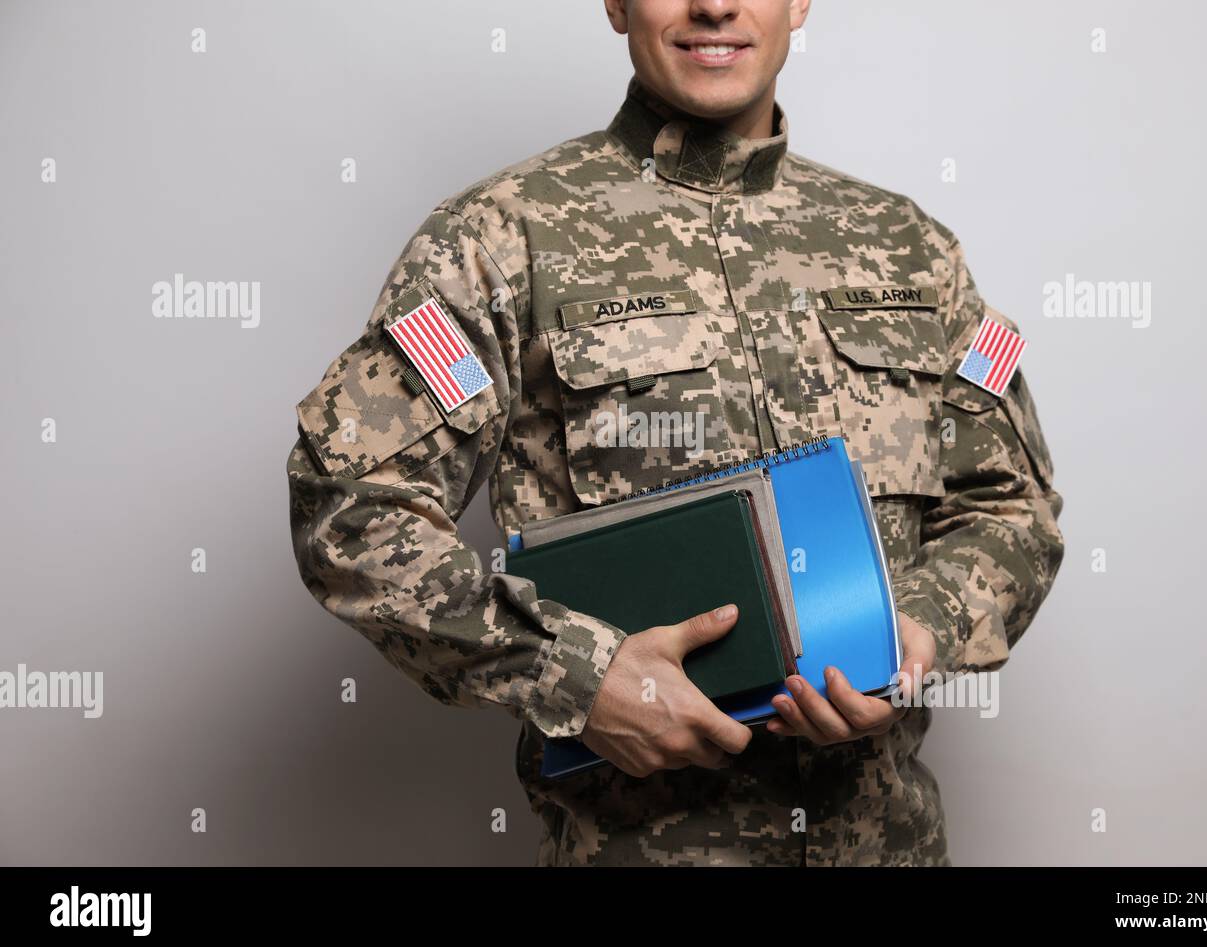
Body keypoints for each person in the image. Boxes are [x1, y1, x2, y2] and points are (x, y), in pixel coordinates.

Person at [286, 0, 1064, 866]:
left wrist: (916, 633)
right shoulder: (502, 240)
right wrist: (574, 675)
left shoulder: (911, 249)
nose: (715, 5)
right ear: (615, 3)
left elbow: (1011, 506)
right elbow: (349, 509)